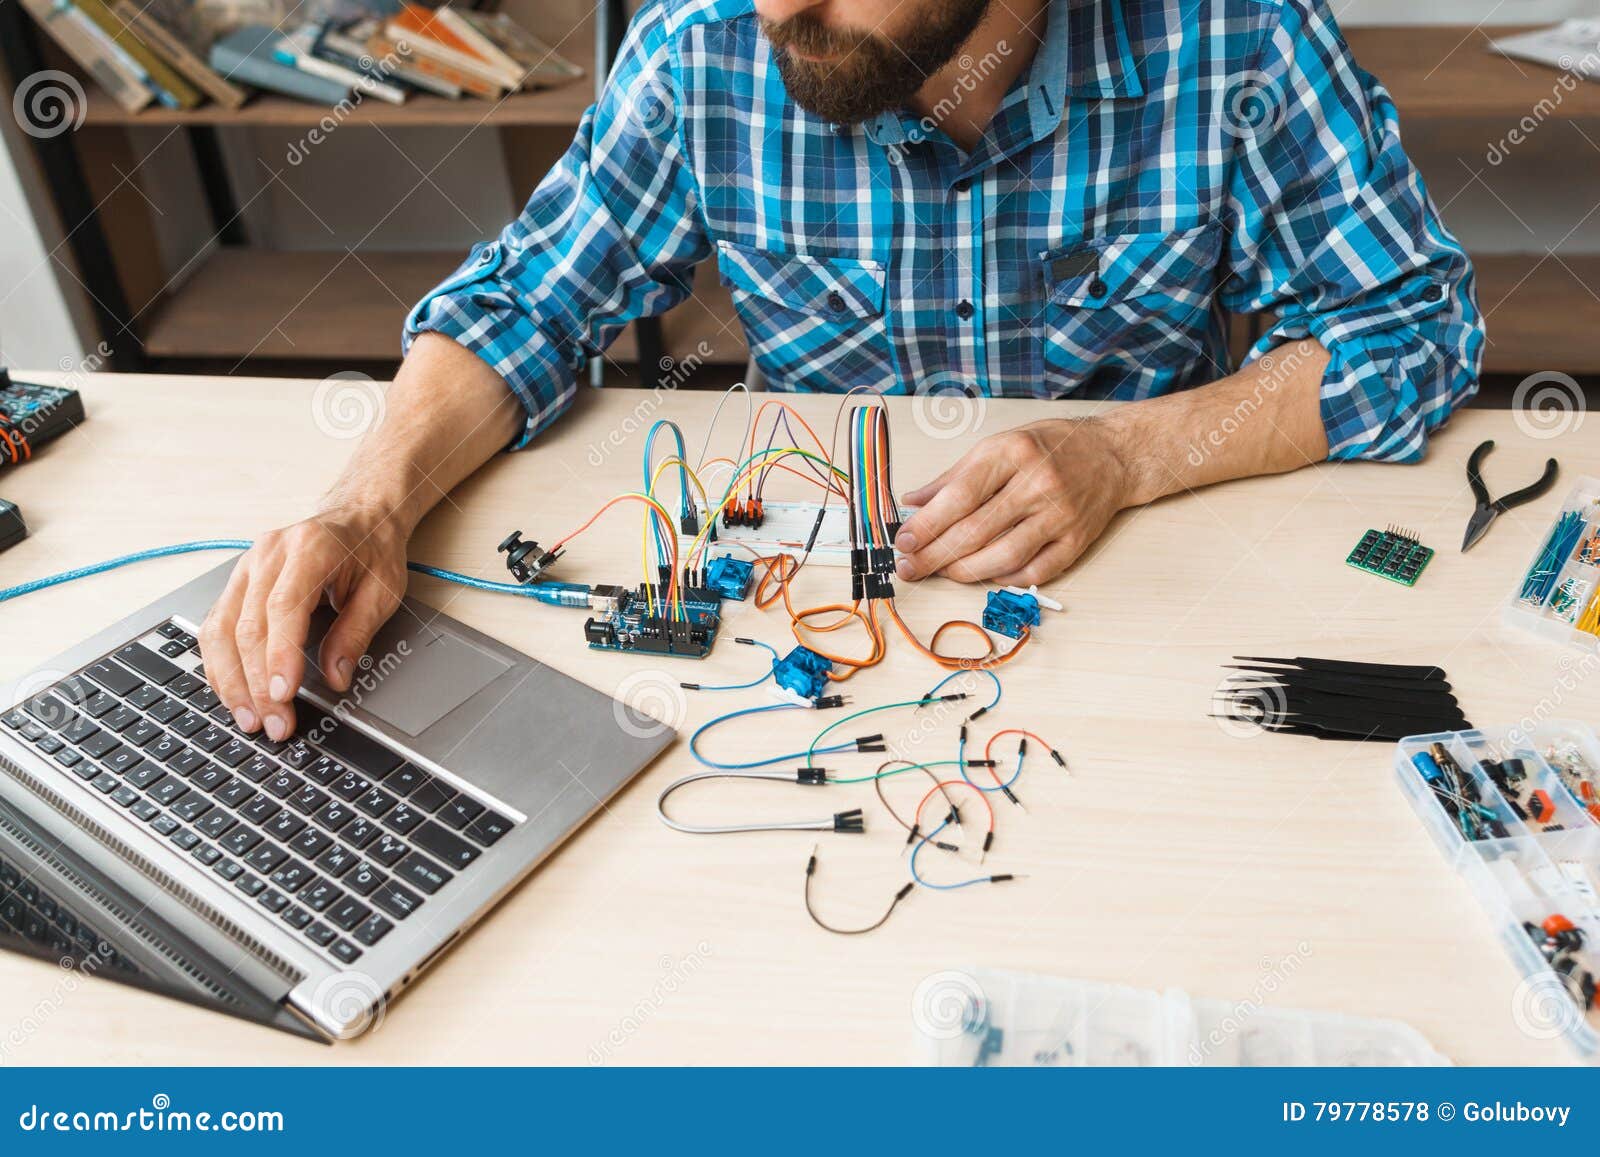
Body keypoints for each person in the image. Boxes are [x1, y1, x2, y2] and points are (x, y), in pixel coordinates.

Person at [199, 0, 1482, 742]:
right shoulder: (706, 44)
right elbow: (526, 300)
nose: (777, 13)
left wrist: (1130, 450)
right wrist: (366, 502)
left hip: (1153, 637)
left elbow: (1415, 326)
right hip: (808, 658)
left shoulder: (1236, 36)